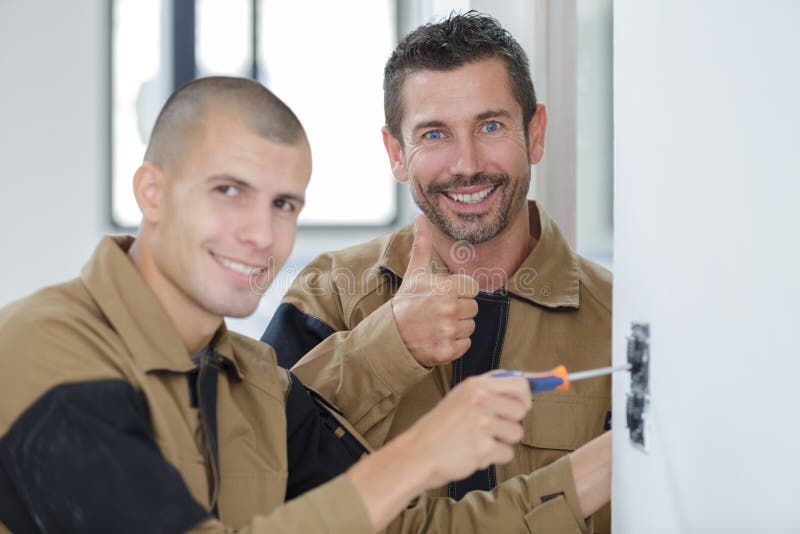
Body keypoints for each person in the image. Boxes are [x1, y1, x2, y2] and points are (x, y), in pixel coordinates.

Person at [0, 76, 610, 533]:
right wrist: (420, 454)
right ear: (151, 192)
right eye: (229, 191)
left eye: (284, 204)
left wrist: (607, 466)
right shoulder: (41, 350)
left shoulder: (258, 386)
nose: (261, 235)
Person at [261, 11, 613, 532]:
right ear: (396, 153)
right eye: (434, 134)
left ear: (535, 133)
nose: (466, 164)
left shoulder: (618, 319)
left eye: (490, 126)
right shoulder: (329, 292)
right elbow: (254, 473)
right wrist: (388, 346)